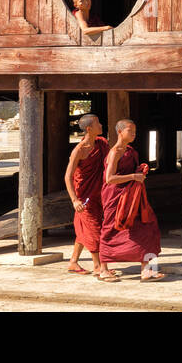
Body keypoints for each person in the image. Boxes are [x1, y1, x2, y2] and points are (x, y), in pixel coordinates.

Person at [99, 118, 165, 280]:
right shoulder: (114, 152)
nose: (134, 133)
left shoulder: (130, 151)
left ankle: (146, 269)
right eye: (130, 130)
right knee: (110, 229)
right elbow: (110, 179)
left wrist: (139, 170)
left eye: (135, 131)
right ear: (120, 132)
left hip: (132, 196)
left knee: (146, 227)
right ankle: (103, 269)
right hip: (115, 196)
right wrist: (134, 176)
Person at [65, 114, 115, 280]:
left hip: (98, 194)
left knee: (83, 229)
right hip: (84, 198)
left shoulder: (102, 143)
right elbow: (68, 176)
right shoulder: (79, 150)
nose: (101, 125)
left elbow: (108, 164)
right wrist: (74, 200)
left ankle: (73, 262)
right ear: (89, 129)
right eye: (98, 123)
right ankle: (97, 266)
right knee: (94, 230)